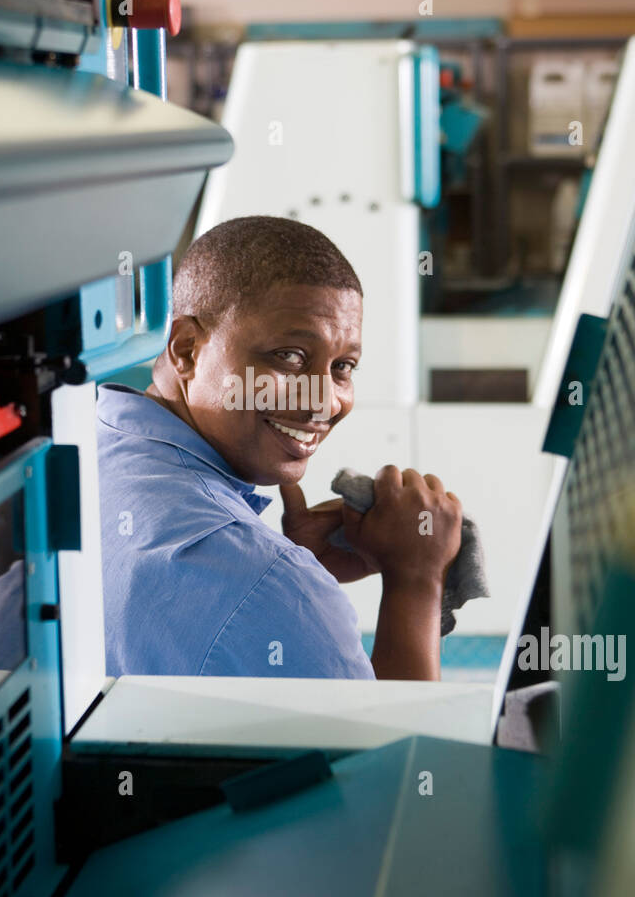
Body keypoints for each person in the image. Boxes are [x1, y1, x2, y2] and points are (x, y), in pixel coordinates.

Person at [98, 216, 462, 681]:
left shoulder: (88, 444)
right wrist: (416, 581)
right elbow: (404, 751)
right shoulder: (268, 583)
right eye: (289, 356)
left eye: (344, 366)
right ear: (187, 349)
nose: (325, 401)